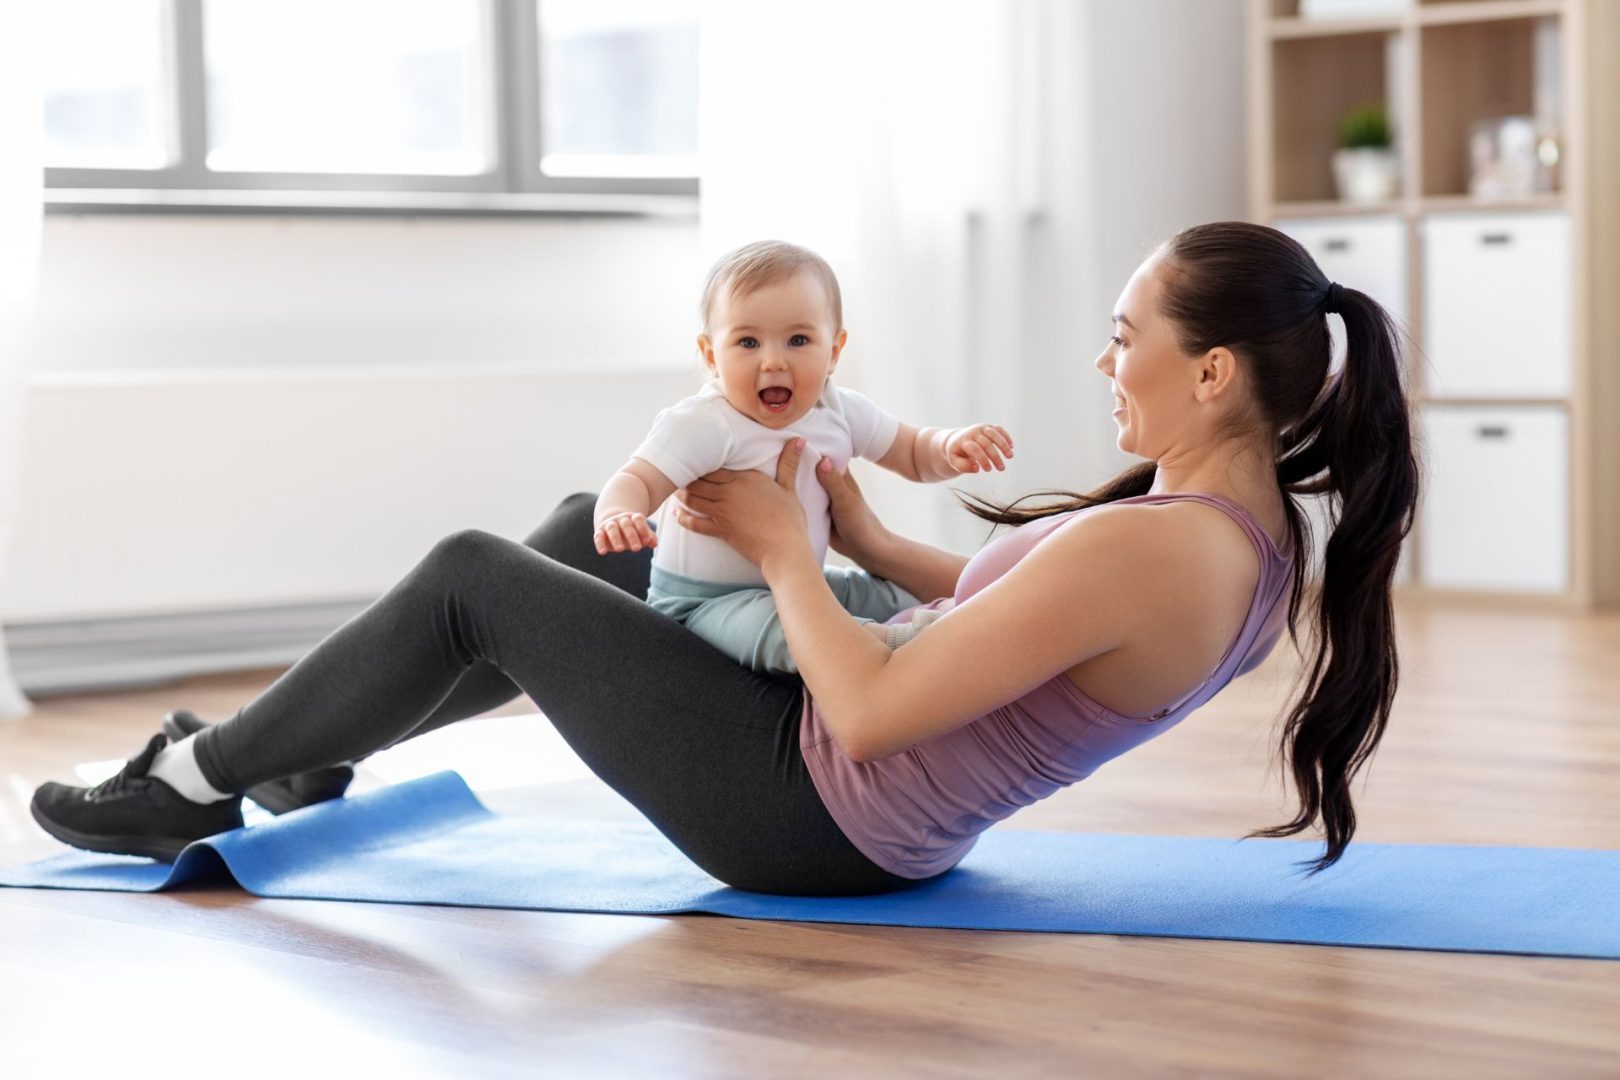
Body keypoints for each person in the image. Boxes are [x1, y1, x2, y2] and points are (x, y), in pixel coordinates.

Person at [29, 221, 1419, 889]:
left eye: (1129, 335)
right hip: (856, 777)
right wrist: (871, 538)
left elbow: (874, 709)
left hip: (817, 811)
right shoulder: (1235, 539)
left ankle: (193, 784)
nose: (1106, 360)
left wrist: (789, 551)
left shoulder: (1161, 552)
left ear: (1218, 369)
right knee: (596, 528)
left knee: (473, 574)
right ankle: (302, 750)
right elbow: (1024, 623)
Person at [594, 239, 1012, 675]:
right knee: (781, 631)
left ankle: (936, 619)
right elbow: (638, 479)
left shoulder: (840, 410)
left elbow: (911, 451)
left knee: (883, 593)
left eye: (798, 340)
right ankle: (878, 643)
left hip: (798, 581)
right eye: (748, 342)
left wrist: (950, 447)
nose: (773, 362)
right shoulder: (706, 422)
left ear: (833, 351)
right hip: (708, 600)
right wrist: (618, 513)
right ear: (710, 355)